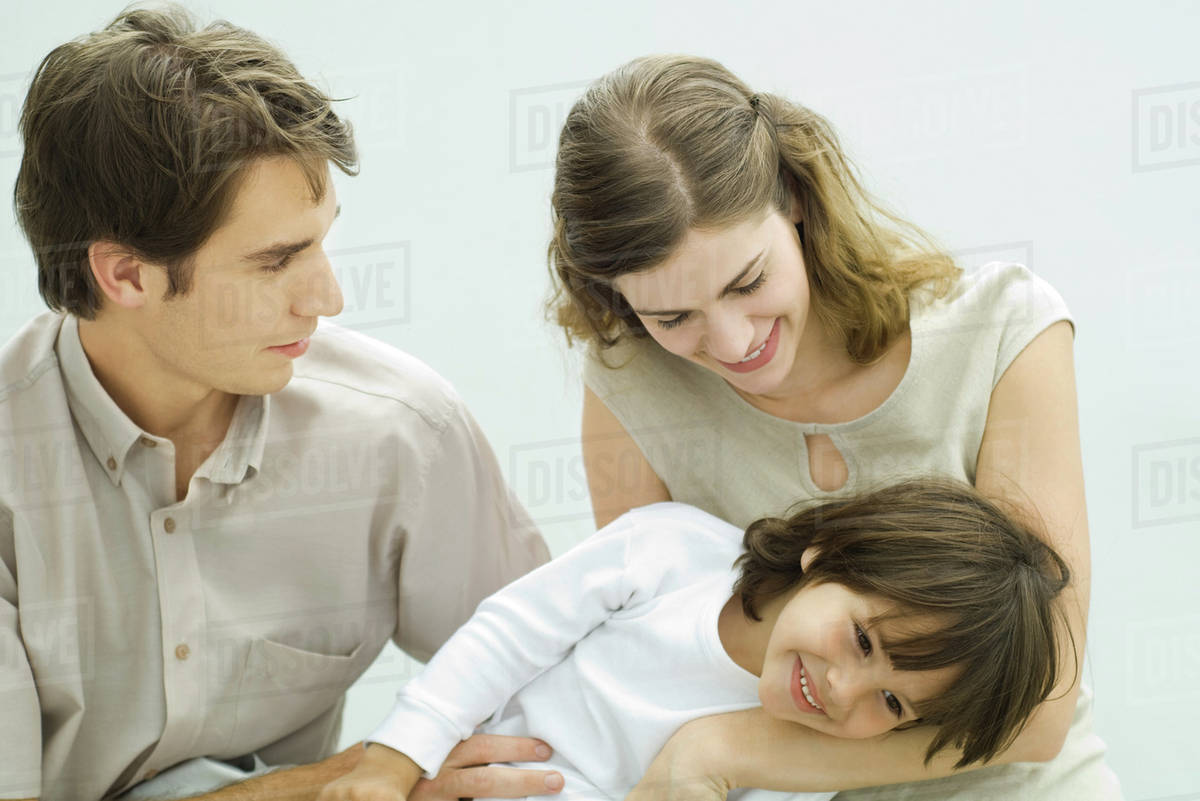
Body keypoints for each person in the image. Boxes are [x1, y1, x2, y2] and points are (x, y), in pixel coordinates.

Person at [0, 7, 560, 801]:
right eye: (276, 261)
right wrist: (329, 781)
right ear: (125, 275)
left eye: (322, 241)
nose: (328, 296)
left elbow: (555, 701)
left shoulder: (400, 433)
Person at [547, 55, 1122, 799]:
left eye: (747, 281)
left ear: (793, 199)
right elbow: (643, 657)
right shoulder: (634, 387)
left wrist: (724, 748)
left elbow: (1040, 709)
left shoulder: (1004, 332)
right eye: (672, 316)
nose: (729, 342)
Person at [318, 478, 1074, 801]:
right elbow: (505, 635)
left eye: (892, 702)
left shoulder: (791, 762)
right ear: (828, 554)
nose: (843, 689)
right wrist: (393, 759)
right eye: (864, 640)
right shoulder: (671, 551)